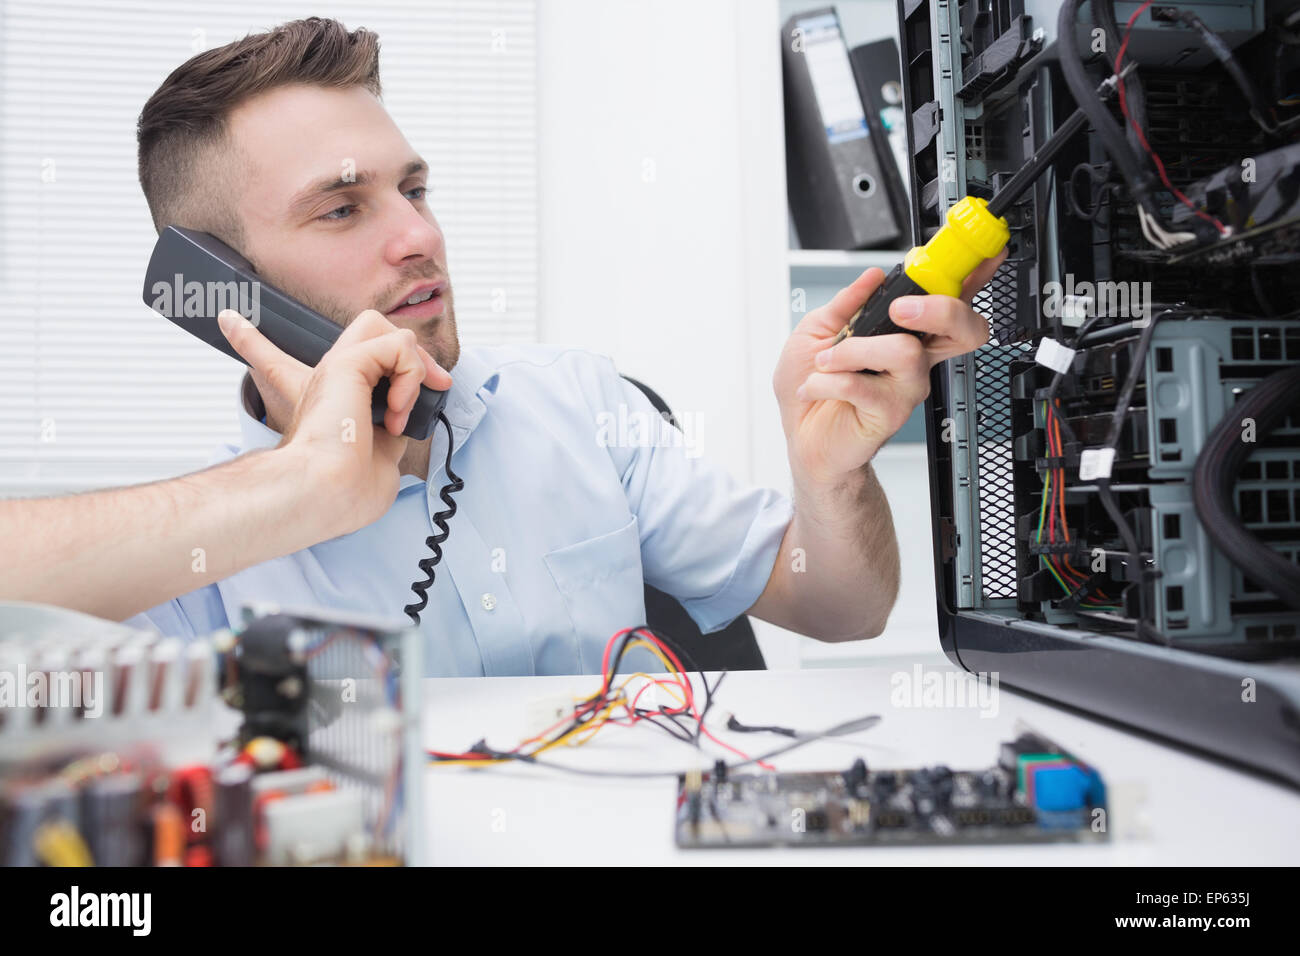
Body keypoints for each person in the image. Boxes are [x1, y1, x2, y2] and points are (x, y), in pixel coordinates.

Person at [0, 18, 1002, 676]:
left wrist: (830, 477)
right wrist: (298, 487)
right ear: (225, 289)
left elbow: (843, 608)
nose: (418, 234)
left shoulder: (578, 403)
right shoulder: (190, 553)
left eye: (414, 189)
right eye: (342, 208)